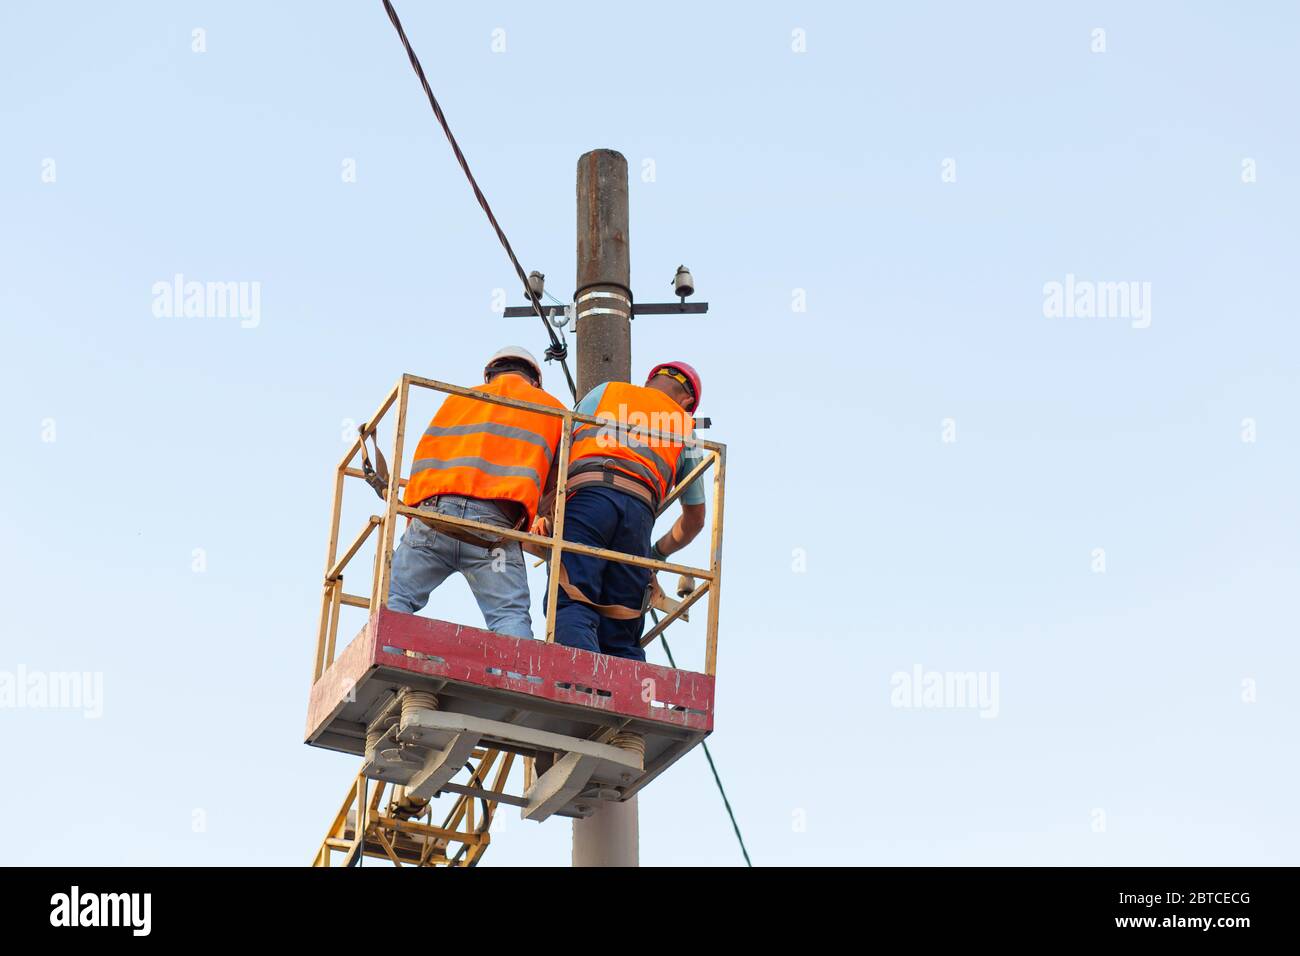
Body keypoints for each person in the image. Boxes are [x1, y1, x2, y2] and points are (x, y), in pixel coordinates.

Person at [387, 347, 565, 638]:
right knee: (509, 616)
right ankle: (516, 680)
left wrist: (415, 524)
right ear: (535, 380)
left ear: (490, 375)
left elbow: (424, 461)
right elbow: (557, 488)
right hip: (493, 532)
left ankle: (385, 657)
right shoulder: (551, 408)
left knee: (394, 597)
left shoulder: (459, 398)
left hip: (432, 517)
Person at [534, 362, 706, 661]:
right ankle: (621, 701)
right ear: (687, 402)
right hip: (638, 519)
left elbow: (560, 442)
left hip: (587, 500)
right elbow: (694, 521)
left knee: (572, 598)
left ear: (650, 380)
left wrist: (543, 512)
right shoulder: (686, 427)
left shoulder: (607, 392)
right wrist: (656, 554)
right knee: (623, 622)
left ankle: (580, 686)